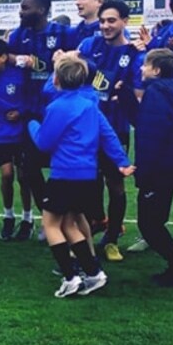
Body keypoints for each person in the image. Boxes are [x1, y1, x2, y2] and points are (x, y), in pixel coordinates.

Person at [29, 55, 134, 298]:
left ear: (55, 79)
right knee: (70, 223)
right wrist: (122, 162)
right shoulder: (90, 104)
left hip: (64, 174)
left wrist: (32, 125)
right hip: (88, 175)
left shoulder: (57, 106)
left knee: (51, 224)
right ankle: (93, 272)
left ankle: (70, 276)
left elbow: (44, 143)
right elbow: (108, 134)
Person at [75, 0, 143, 260]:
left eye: (111, 20)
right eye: (102, 21)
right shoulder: (91, 45)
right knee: (89, 181)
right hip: (86, 128)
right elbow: (72, 68)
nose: (105, 25)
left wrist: (123, 94)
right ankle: (96, 222)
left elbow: (137, 95)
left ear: (125, 21)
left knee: (115, 185)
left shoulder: (135, 54)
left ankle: (112, 238)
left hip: (115, 129)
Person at [6, 0, 73, 233]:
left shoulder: (63, 33)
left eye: (26, 7)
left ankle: (65, 219)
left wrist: (66, 56)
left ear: (41, 10)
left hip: (58, 112)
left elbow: (83, 54)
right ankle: (48, 217)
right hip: (29, 112)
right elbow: (4, 55)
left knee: (61, 169)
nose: (21, 11)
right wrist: (16, 59)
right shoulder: (19, 35)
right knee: (28, 171)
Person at [131, 49, 173, 287]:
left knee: (149, 224)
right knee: (154, 220)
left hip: (158, 170)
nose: (141, 69)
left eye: (145, 65)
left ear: (156, 70)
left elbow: (152, 134)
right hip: (172, 165)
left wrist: (144, 173)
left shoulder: (155, 93)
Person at [0, 39, 33, 240]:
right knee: (6, 174)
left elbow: (32, 97)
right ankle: (8, 215)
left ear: (3, 57)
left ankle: (28, 219)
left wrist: (20, 111)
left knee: (24, 176)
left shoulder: (19, 74)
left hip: (20, 131)